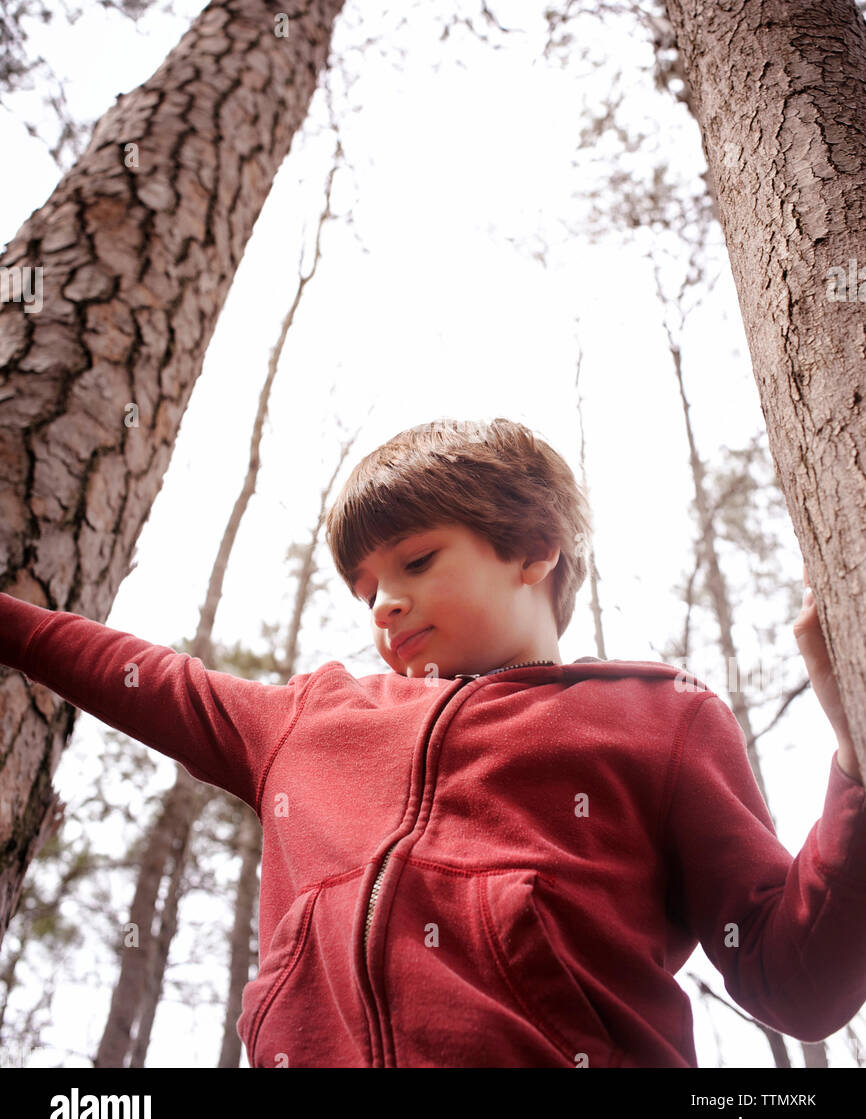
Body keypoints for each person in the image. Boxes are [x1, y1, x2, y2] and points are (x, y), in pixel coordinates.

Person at [0, 417, 864, 1068]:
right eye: (365, 587)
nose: (382, 604)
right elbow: (148, 675)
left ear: (533, 550)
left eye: (415, 562)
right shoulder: (309, 720)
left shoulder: (663, 717)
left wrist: (856, 769)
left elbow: (796, 976)